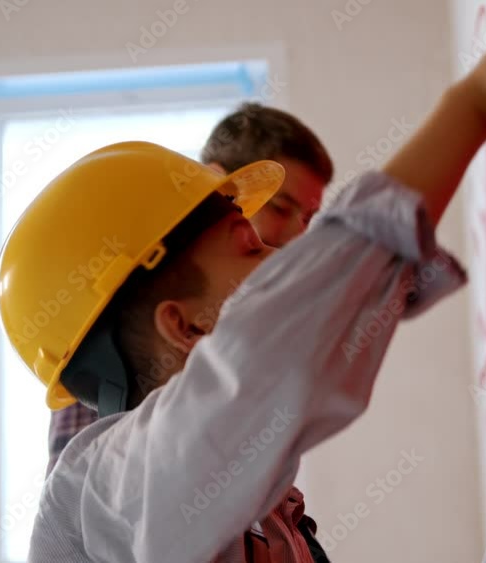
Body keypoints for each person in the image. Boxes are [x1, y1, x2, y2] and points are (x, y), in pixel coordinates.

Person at [0, 1, 486, 560]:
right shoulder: (97, 490)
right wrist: (475, 103)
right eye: (252, 248)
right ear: (182, 325)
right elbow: (268, 355)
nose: (282, 252)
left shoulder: (258, 504)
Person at [45, 103, 334, 475]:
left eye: (308, 219)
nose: (297, 238)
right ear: (215, 188)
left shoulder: (247, 345)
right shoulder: (123, 343)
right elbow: (82, 508)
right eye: (279, 207)